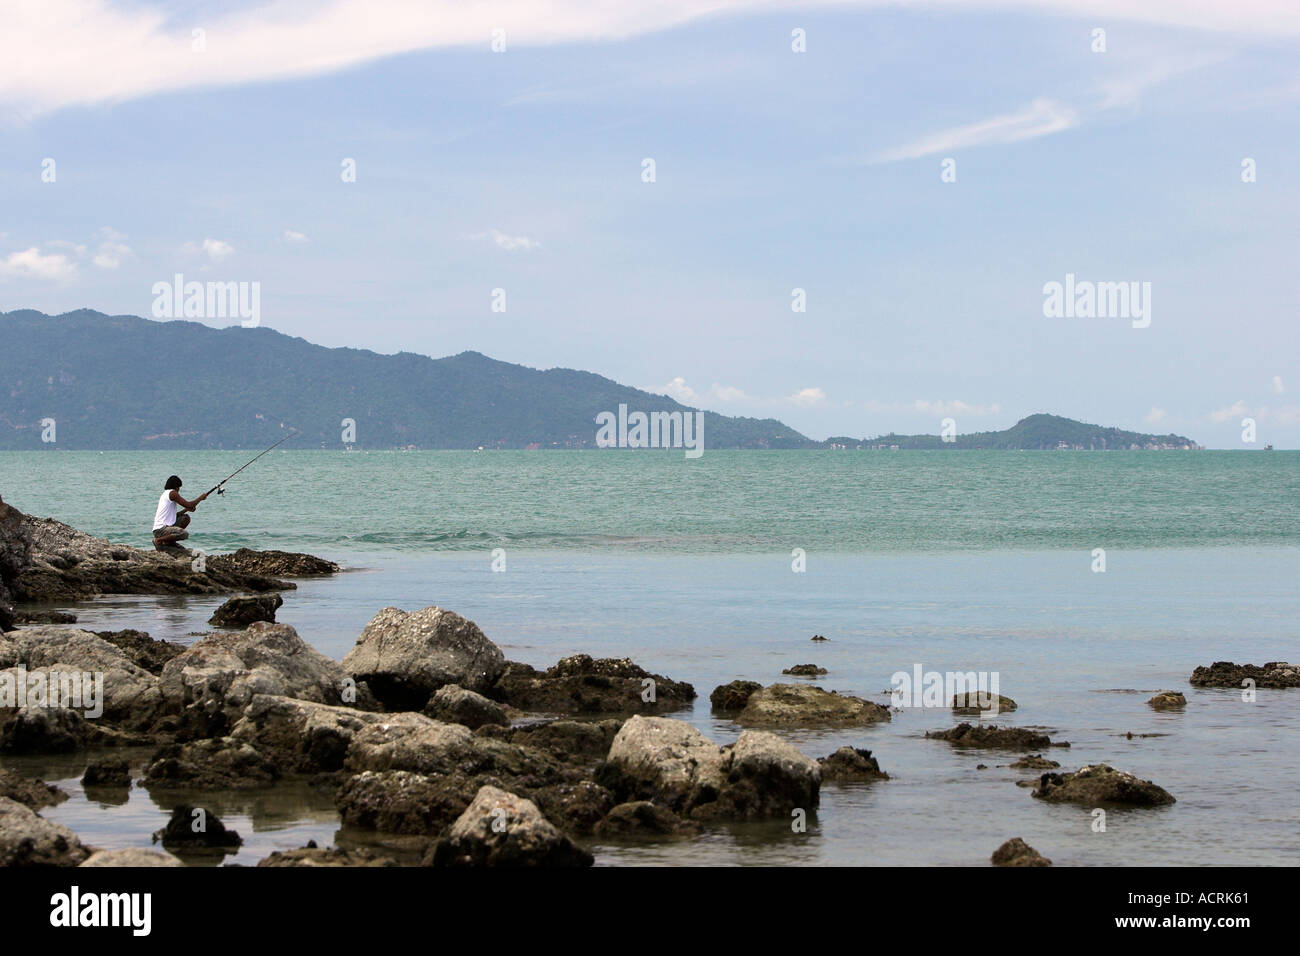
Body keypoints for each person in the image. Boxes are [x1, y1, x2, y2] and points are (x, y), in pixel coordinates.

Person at [152, 475, 208, 550]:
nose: (178, 490)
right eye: (178, 487)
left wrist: (186, 509)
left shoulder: (165, 494)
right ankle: (158, 540)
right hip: (160, 530)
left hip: (164, 528)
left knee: (185, 518)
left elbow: (174, 516)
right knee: (184, 534)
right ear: (175, 486)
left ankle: (169, 542)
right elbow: (189, 504)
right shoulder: (172, 493)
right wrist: (200, 498)